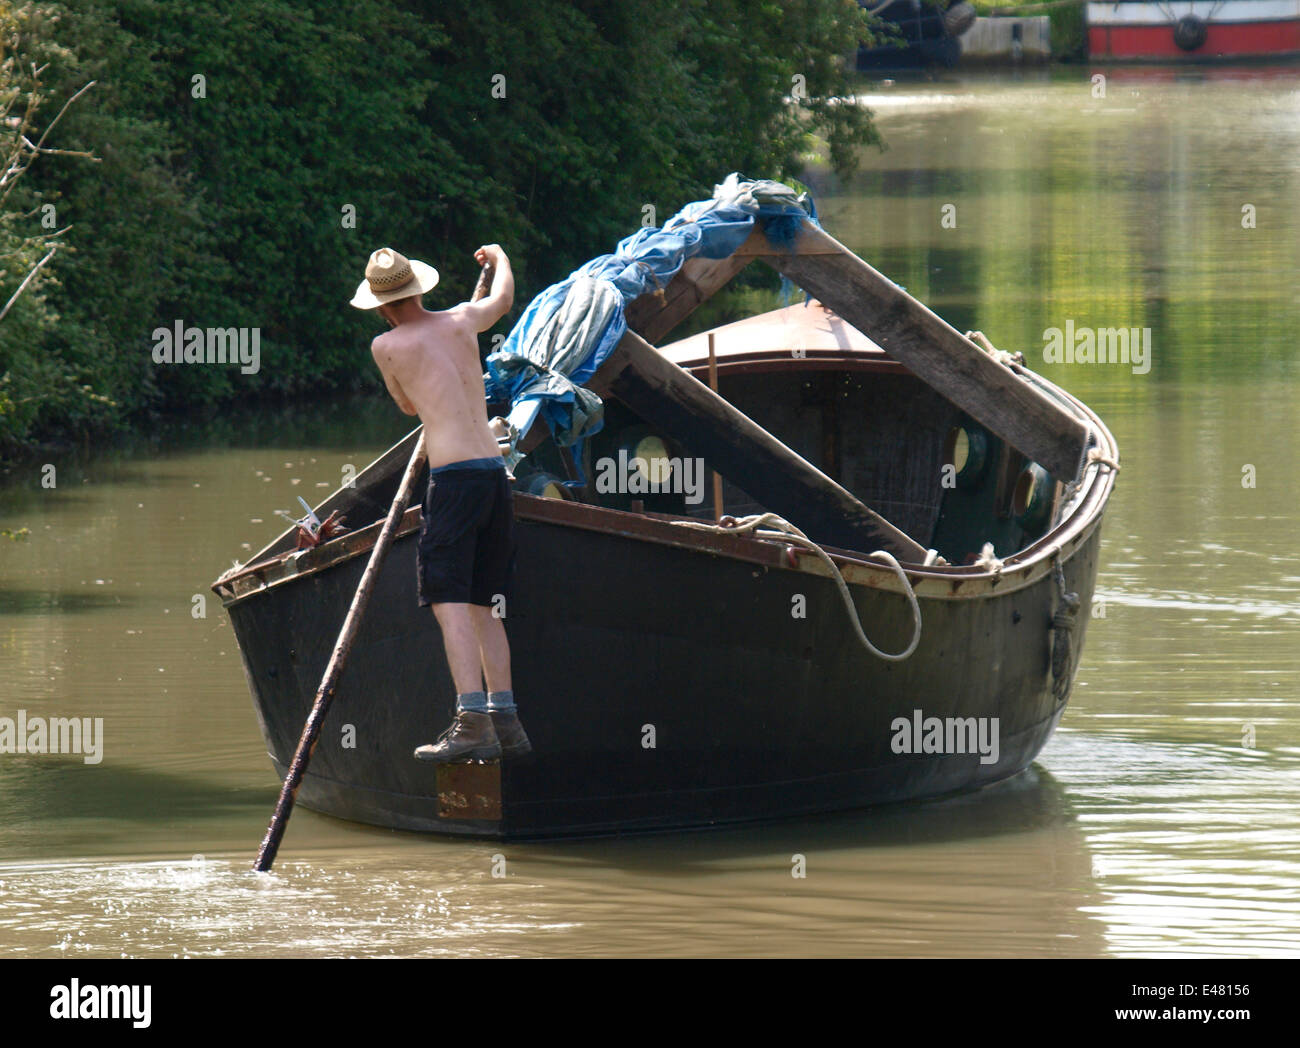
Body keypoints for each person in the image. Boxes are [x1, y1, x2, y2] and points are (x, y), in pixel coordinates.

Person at [349, 245, 530, 763]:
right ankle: (507, 718)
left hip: (452, 481)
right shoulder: (462, 320)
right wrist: (500, 256)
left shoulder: (386, 345)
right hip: (494, 476)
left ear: (382, 306)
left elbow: (408, 405)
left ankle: (472, 719)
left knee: (449, 605)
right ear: (419, 289)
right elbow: (503, 298)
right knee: (485, 604)